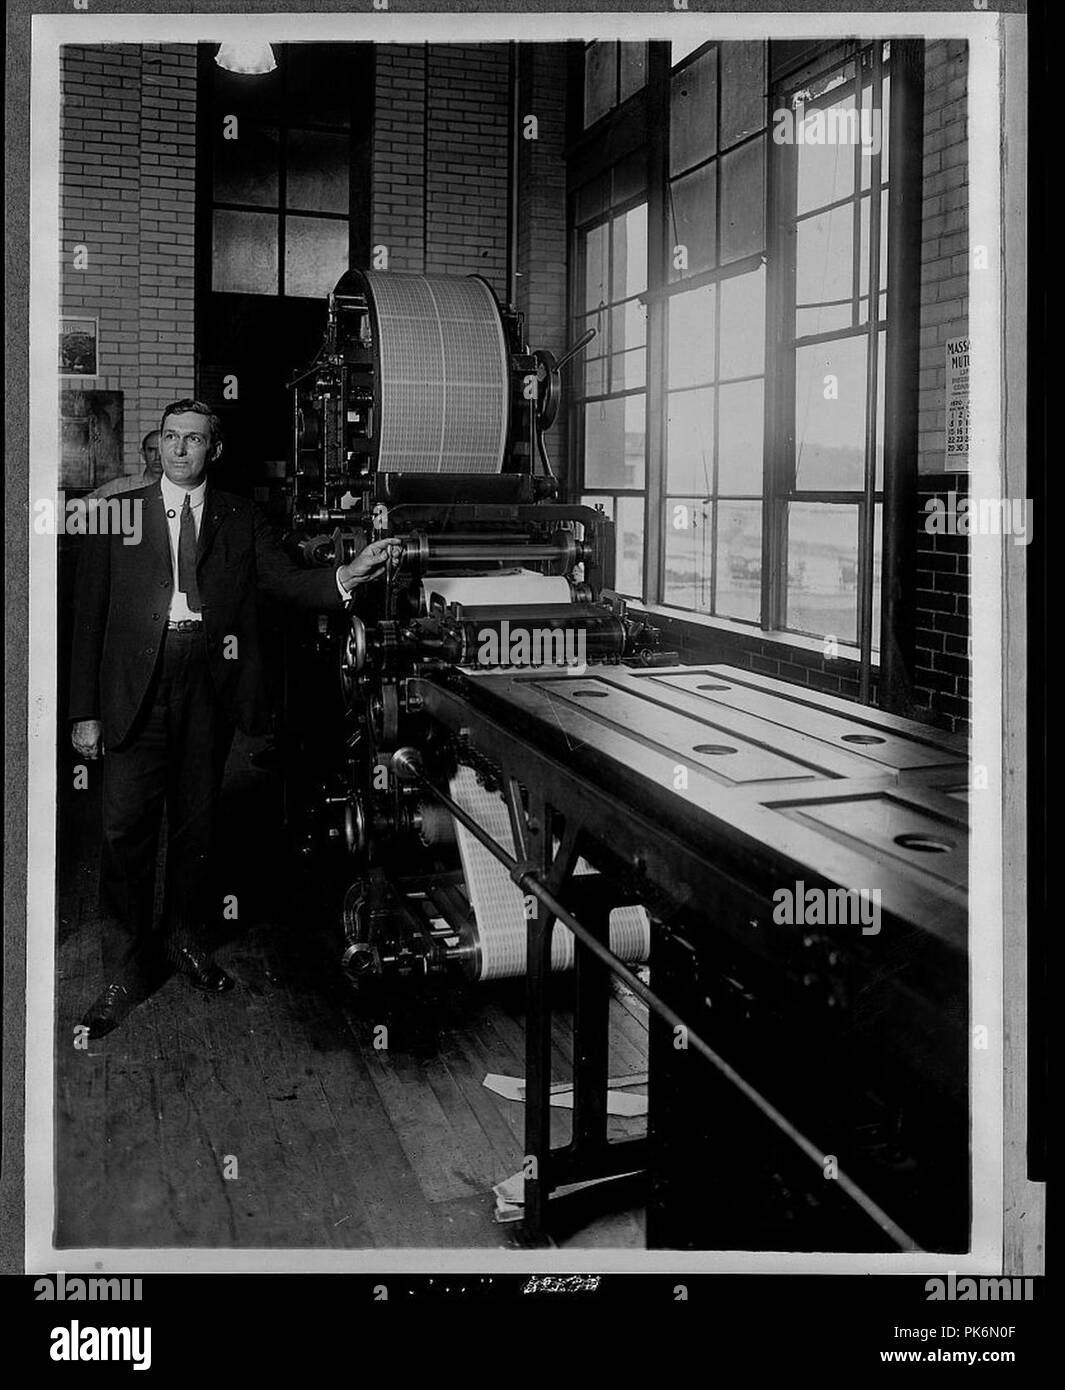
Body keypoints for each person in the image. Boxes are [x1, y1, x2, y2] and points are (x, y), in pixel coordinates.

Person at [69, 399, 401, 1038]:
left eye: (193, 440)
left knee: (198, 825)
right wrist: (84, 711)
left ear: (212, 451)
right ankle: (124, 967)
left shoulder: (240, 516)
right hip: (135, 686)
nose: (180, 450)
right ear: (158, 444)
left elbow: (283, 582)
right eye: (171, 438)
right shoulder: (118, 517)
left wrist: (345, 575)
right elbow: (88, 618)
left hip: (208, 688)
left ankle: (184, 940)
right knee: (124, 831)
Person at [89, 430, 163, 499]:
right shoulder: (120, 487)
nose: (157, 457)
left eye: (162, 451)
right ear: (143, 454)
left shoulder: (174, 489)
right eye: (151, 450)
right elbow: (81, 505)